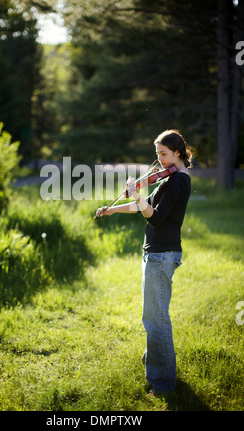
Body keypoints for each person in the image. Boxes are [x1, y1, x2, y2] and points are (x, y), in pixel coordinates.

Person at [95, 129, 192, 395]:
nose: (159, 159)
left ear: (178, 153)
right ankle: (157, 365)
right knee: (153, 315)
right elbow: (145, 205)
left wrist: (136, 195)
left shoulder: (179, 181)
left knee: (156, 319)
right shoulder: (167, 179)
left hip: (162, 256)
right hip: (155, 253)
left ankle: (162, 385)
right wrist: (113, 208)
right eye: (157, 154)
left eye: (164, 154)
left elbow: (156, 217)